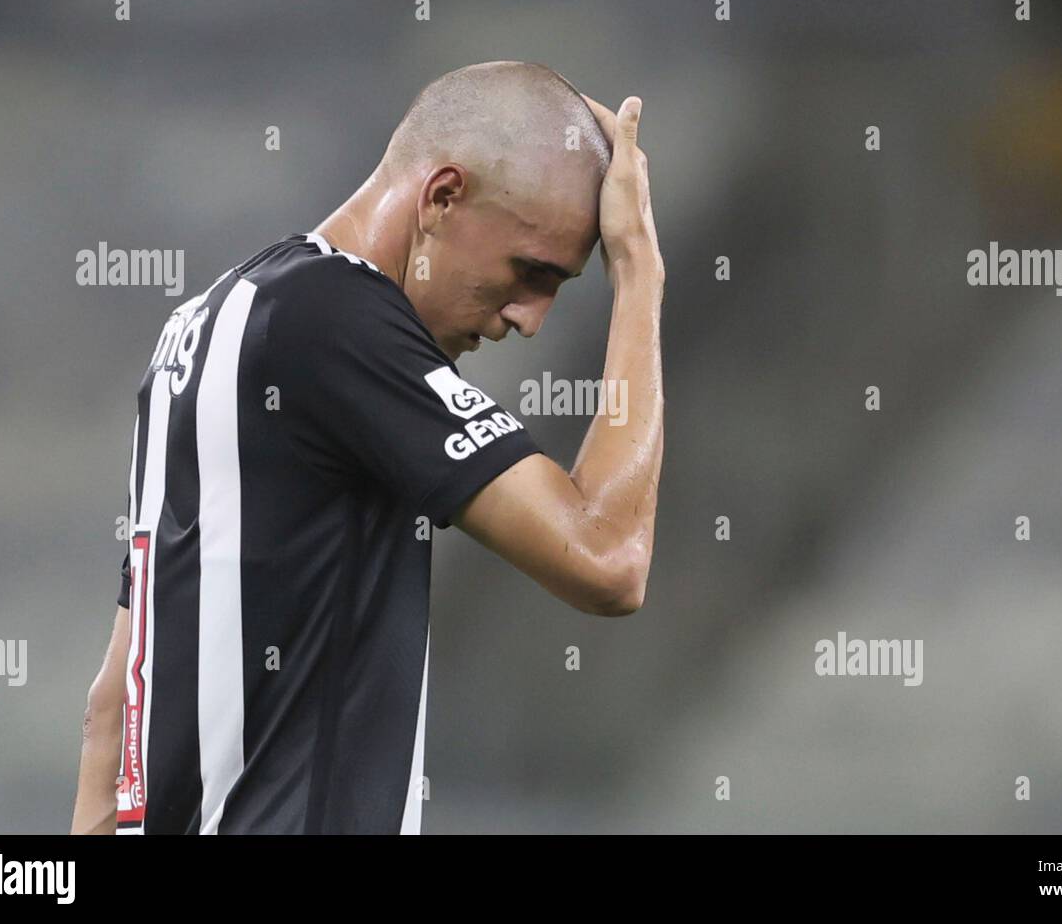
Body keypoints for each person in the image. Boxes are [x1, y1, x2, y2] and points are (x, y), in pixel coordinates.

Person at [70, 61, 665, 835]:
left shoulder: (201, 325)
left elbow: (114, 708)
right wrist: (641, 272)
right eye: (531, 272)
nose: (531, 318)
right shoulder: (337, 320)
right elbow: (608, 557)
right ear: (442, 196)